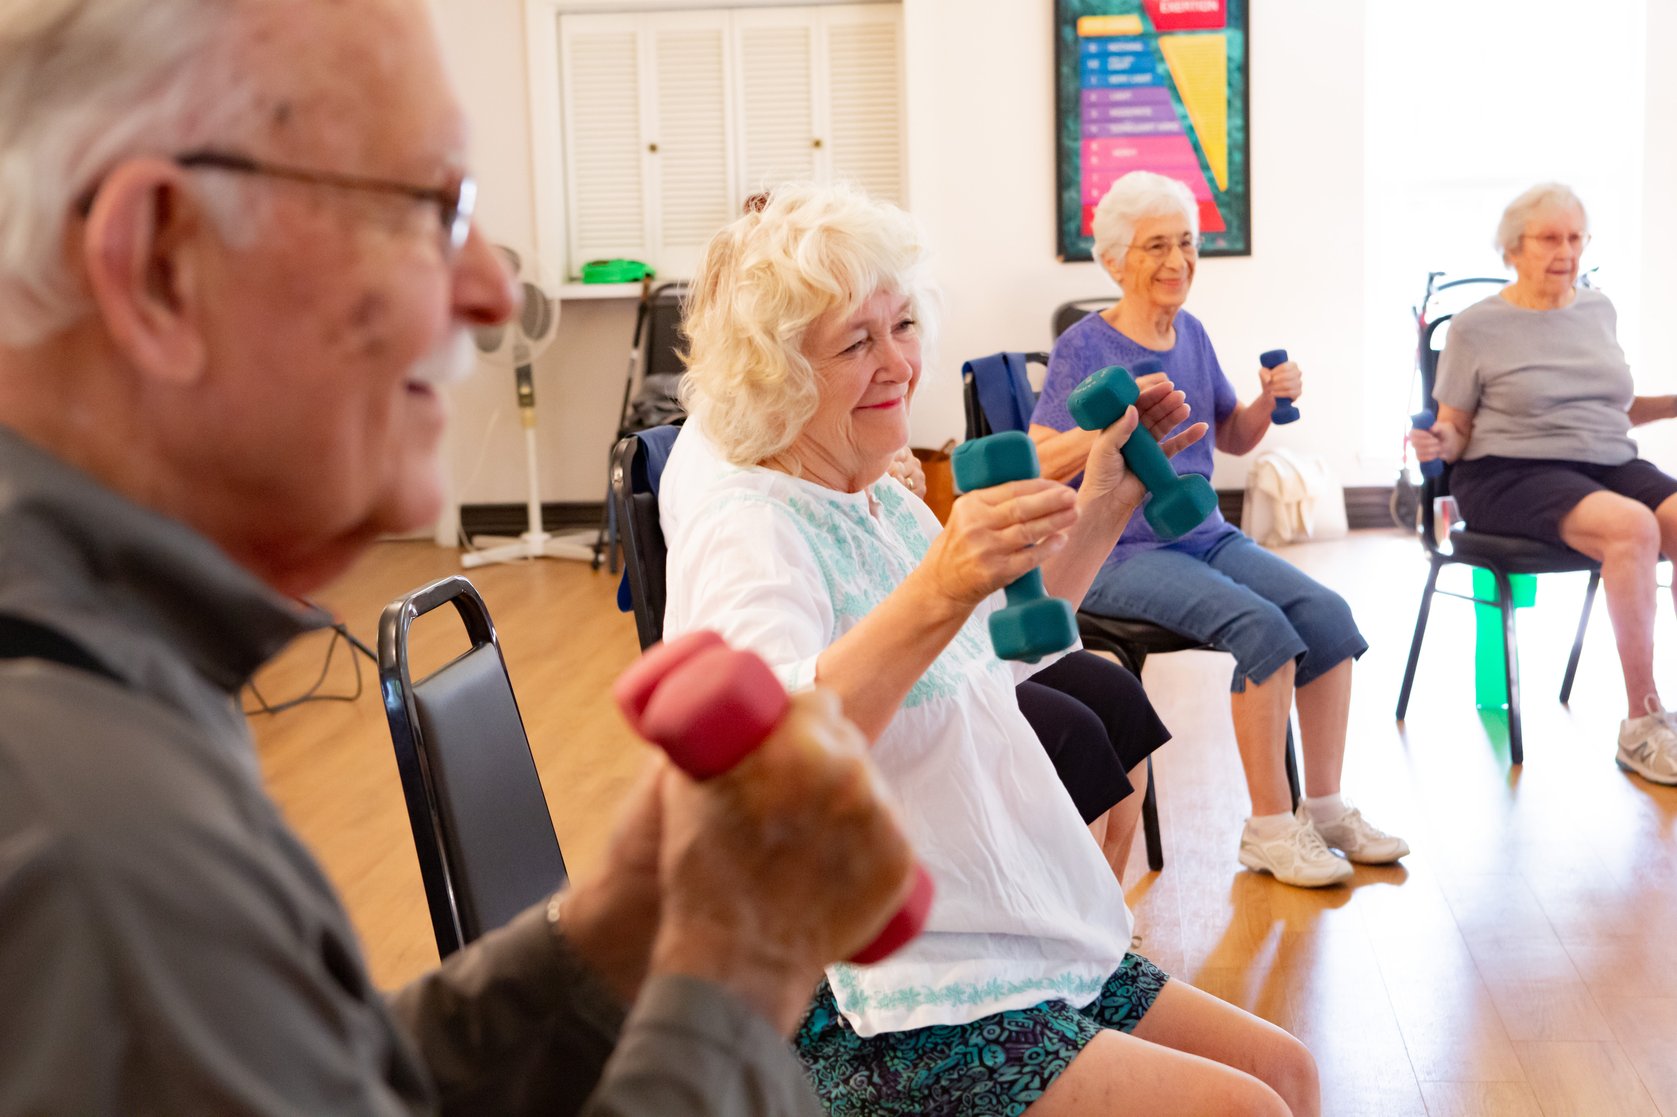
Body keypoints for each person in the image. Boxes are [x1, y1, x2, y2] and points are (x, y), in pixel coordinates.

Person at [0, 2, 920, 1113]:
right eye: (430, 208)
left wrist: (609, 942)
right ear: (158, 264)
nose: (488, 292)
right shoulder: (84, 828)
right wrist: (735, 970)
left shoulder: (110, 688)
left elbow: (324, 1084)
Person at [661, 181, 1319, 1116]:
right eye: (856, 341)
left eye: (900, 325)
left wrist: (1103, 505)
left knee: (1283, 1073)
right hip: (873, 992)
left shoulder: (875, 496)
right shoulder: (749, 528)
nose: (897, 362)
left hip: (989, 931)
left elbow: (993, 653)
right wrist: (940, 585)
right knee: (1243, 1110)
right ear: (779, 372)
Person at [1030, 171, 1409, 890]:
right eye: (1154, 247)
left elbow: (1231, 436)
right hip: (1117, 548)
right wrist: (1113, 429)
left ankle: (1322, 808)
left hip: (1201, 531)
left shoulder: (1191, 333)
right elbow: (1039, 459)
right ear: (1113, 261)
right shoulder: (1085, 345)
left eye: (1186, 243)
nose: (1176, 261)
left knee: (1326, 617)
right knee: (1262, 628)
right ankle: (1268, 829)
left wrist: (1267, 400)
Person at [1411, 183, 1677, 785]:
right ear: (1513, 248)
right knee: (1633, 527)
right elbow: (1454, 430)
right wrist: (1437, 446)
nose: (1566, 251)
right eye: (1551, 238)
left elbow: (1616, 406)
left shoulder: (1597, 308)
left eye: (1576, 237)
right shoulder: (1476, 328)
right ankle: (1643, 721)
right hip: (1507, 472)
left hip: (1604, 461)